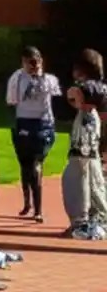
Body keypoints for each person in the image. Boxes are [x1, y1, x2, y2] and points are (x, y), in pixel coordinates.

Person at [5, 46, 60, 223]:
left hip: (43, 124)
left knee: (36, 163)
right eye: (30, 63)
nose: (33, 67)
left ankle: (38, 209)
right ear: (23, 62)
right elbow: (11, 100)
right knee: (25, 164)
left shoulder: (50, 79)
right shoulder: (17, 78)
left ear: (41, 61)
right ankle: (27, 203)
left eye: (36, 62)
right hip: (24, 121)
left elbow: (57, 98)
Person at [62, 48, 106, 240]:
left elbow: (74, 94)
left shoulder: (87, 86)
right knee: (93, 173)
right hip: (93, 126)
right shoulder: (101, 86)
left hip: (86, 126)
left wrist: (75, 100)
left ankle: (81, 222)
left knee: (78, 172)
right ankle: (99, 216)